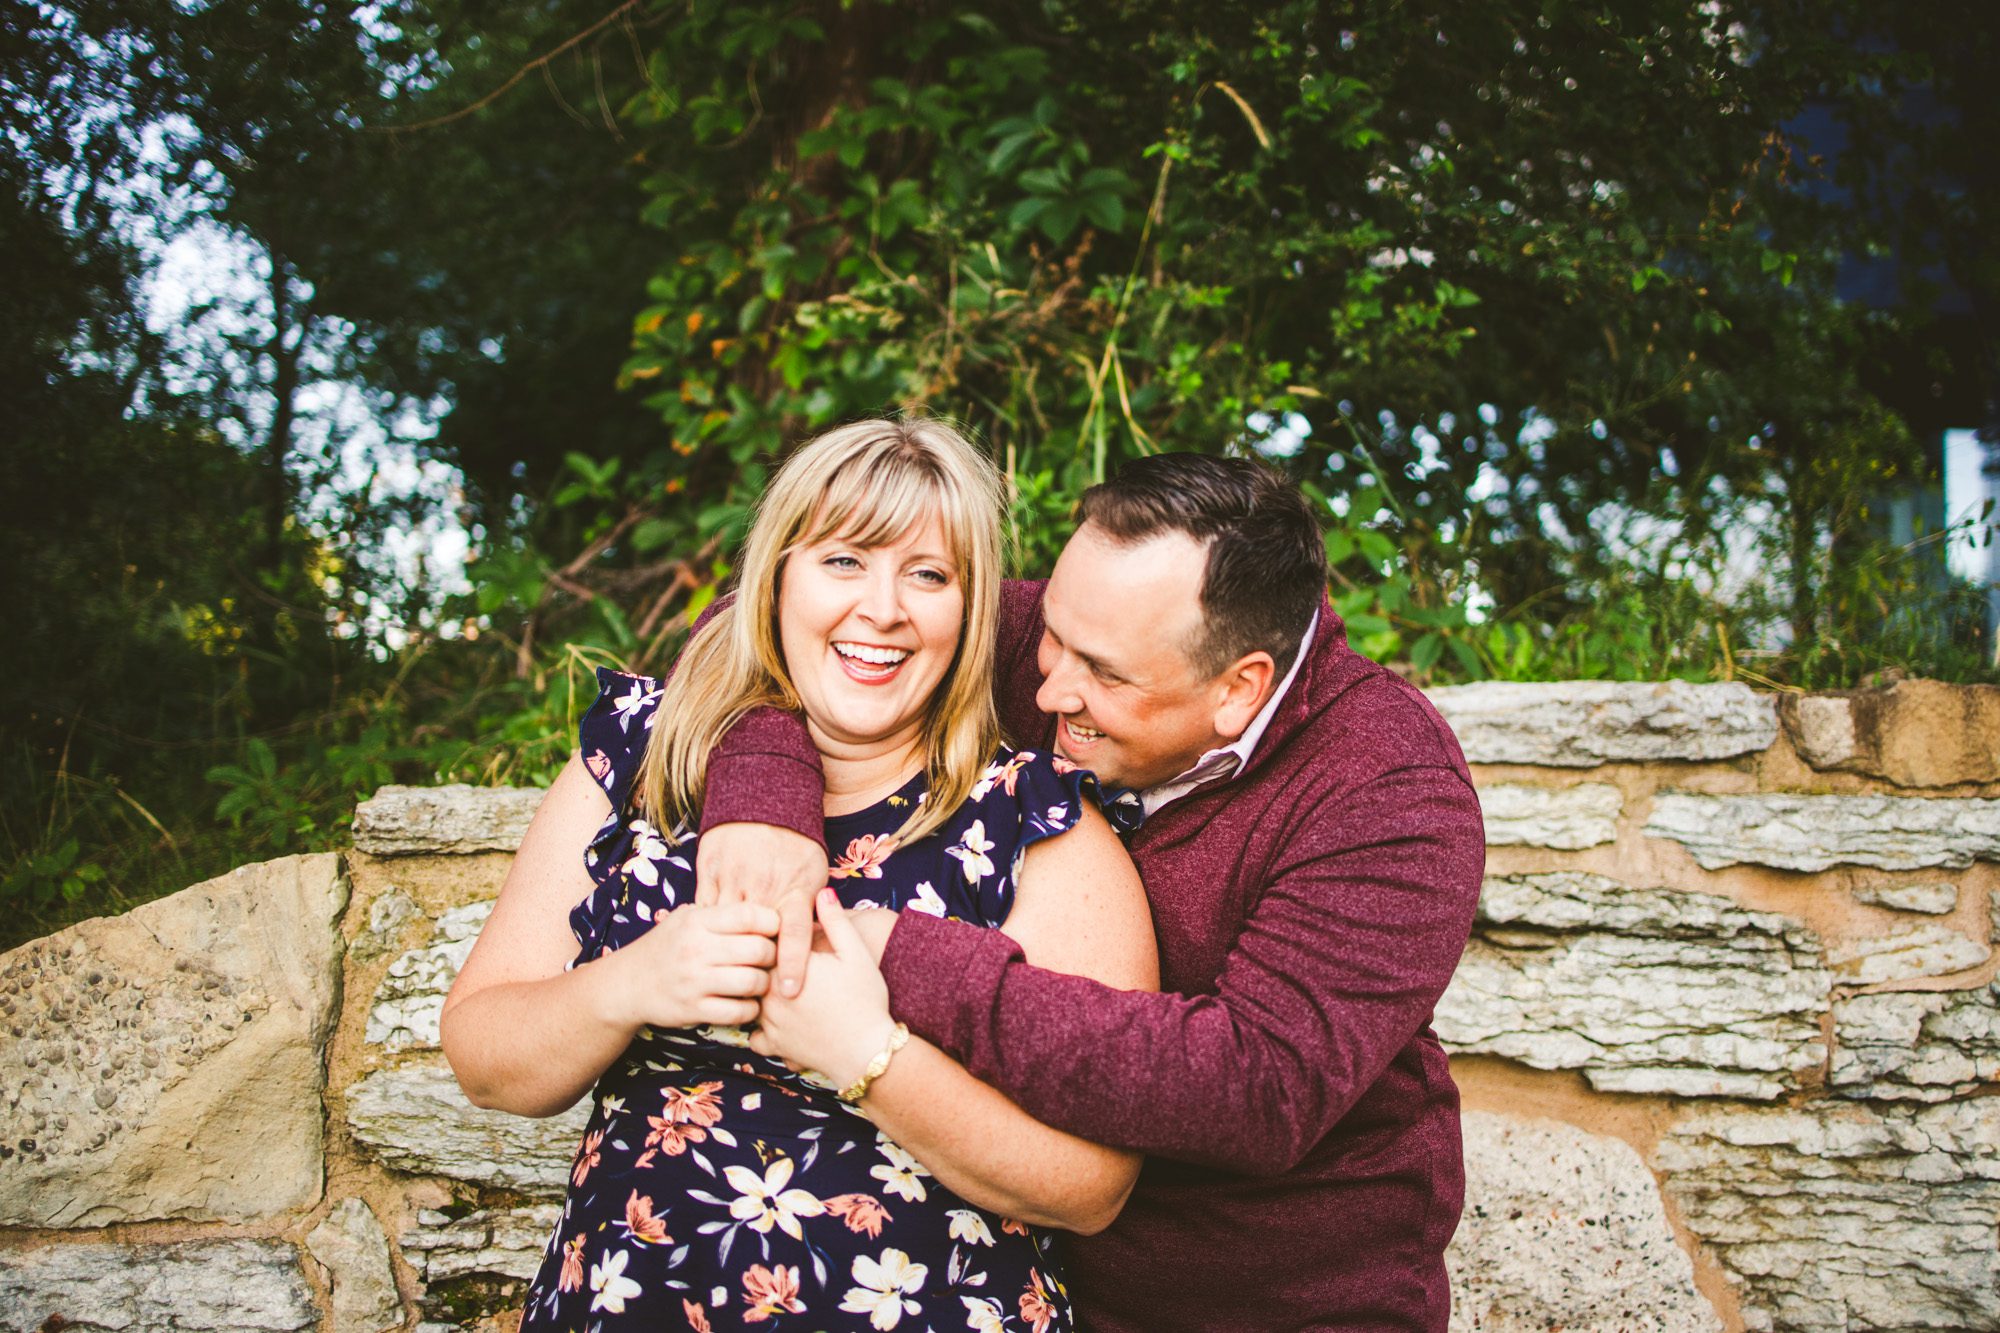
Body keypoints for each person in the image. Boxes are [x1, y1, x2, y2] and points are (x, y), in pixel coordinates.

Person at [693, 453, 1487, 1332]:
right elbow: (757, 621)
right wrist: (763, 791)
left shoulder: (1390, 786)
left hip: (1289, 1300)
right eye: (1052, 635)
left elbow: (1258, 1088)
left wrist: (899, 955)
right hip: (1049, 1286)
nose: (1047, 686)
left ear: (1240, 688)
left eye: (1103, 674)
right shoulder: (1080, 634)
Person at [438, 418, 1157, 1331]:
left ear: (974, 610)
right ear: (777, 573)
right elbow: (484, 1059)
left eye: (929, 574)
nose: (885, 609)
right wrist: (630, 984)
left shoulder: (1034, 824)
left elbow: (1092, 1187)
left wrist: (868, 1055)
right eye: (845, 561)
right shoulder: (643, 759)